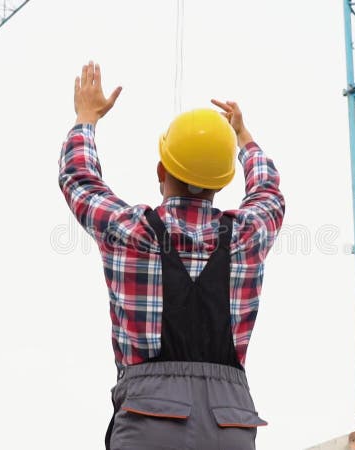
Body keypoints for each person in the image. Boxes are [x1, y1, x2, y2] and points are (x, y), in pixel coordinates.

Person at [59, 61, 285, 450]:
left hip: (150, 421)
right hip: (230, 425)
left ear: (162, 170)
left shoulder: (131, 231)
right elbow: (268, 191)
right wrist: (243, 137)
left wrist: (86, 118)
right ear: (222, 182)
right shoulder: (248, 235)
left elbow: (79, 179)